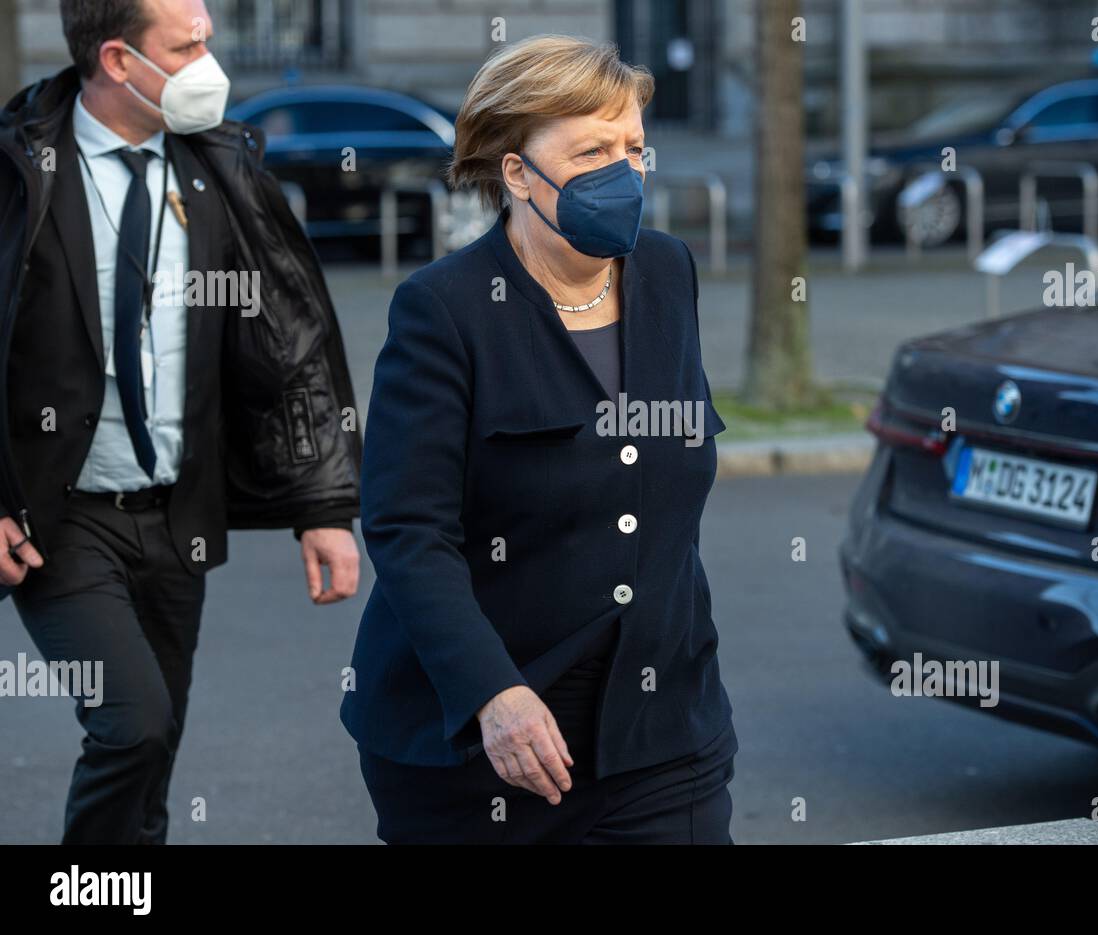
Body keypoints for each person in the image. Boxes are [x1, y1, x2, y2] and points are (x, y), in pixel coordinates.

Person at [342, 34, 739, 844]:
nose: (622, 172)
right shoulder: (444, 310)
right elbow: (409, 530)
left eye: (633, 147)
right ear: (517, 172)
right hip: (483, 750)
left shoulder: (668, 272)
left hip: (663, 737)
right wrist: (494, 693)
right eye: (591, 150)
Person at [0, 0, 363, 844]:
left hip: (178, 515)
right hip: (61, 518)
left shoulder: (223, 169)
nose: (211, 59)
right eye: (188, 43)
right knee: (130, 722)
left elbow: (291, 341)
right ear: (120, 61)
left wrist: (323, 507)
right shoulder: (21, 170)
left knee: (152, 748)